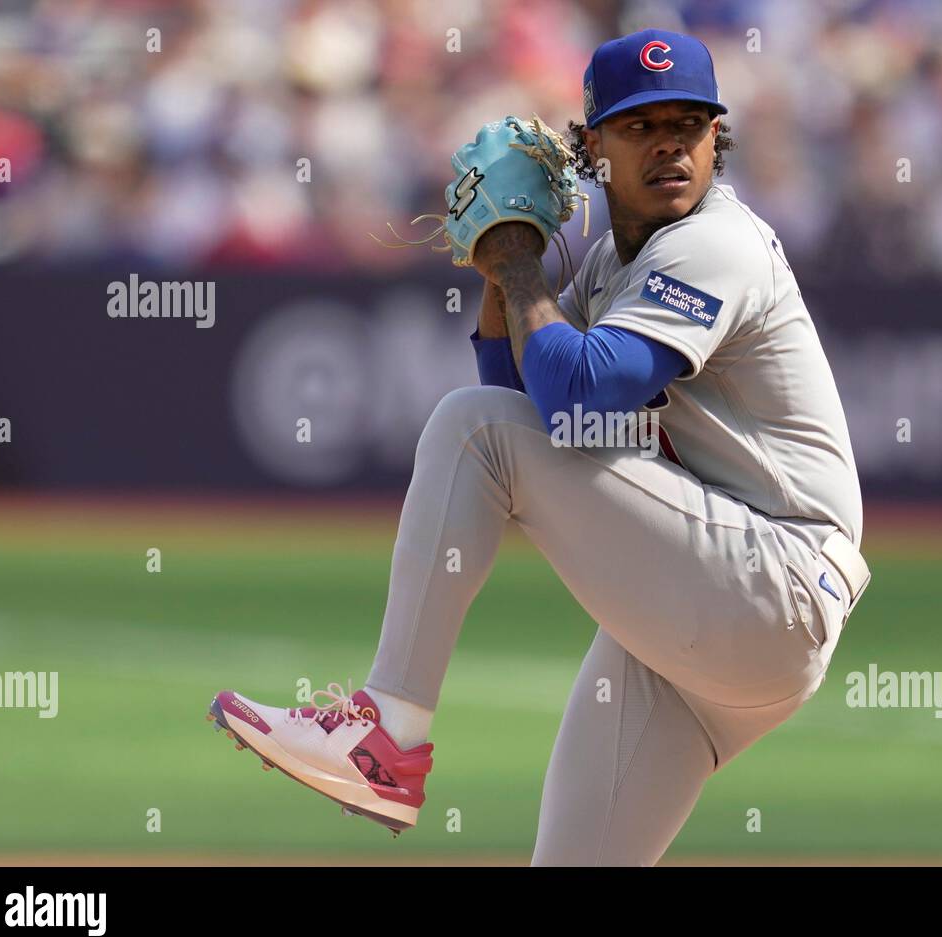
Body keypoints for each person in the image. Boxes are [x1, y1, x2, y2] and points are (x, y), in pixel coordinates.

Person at [208, 28, 870, 867]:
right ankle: (387, 743)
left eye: (691, 123)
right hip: (696, 634)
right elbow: (527, 400)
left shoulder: (716, 241)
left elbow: (573, 395)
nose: (670, 142)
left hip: (770, 582)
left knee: (469, 425)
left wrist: (523, 261)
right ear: (591, 148)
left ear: (718, 138)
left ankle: (388, 735)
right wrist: (499, 267)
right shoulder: (605, 265)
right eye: (639, 126)